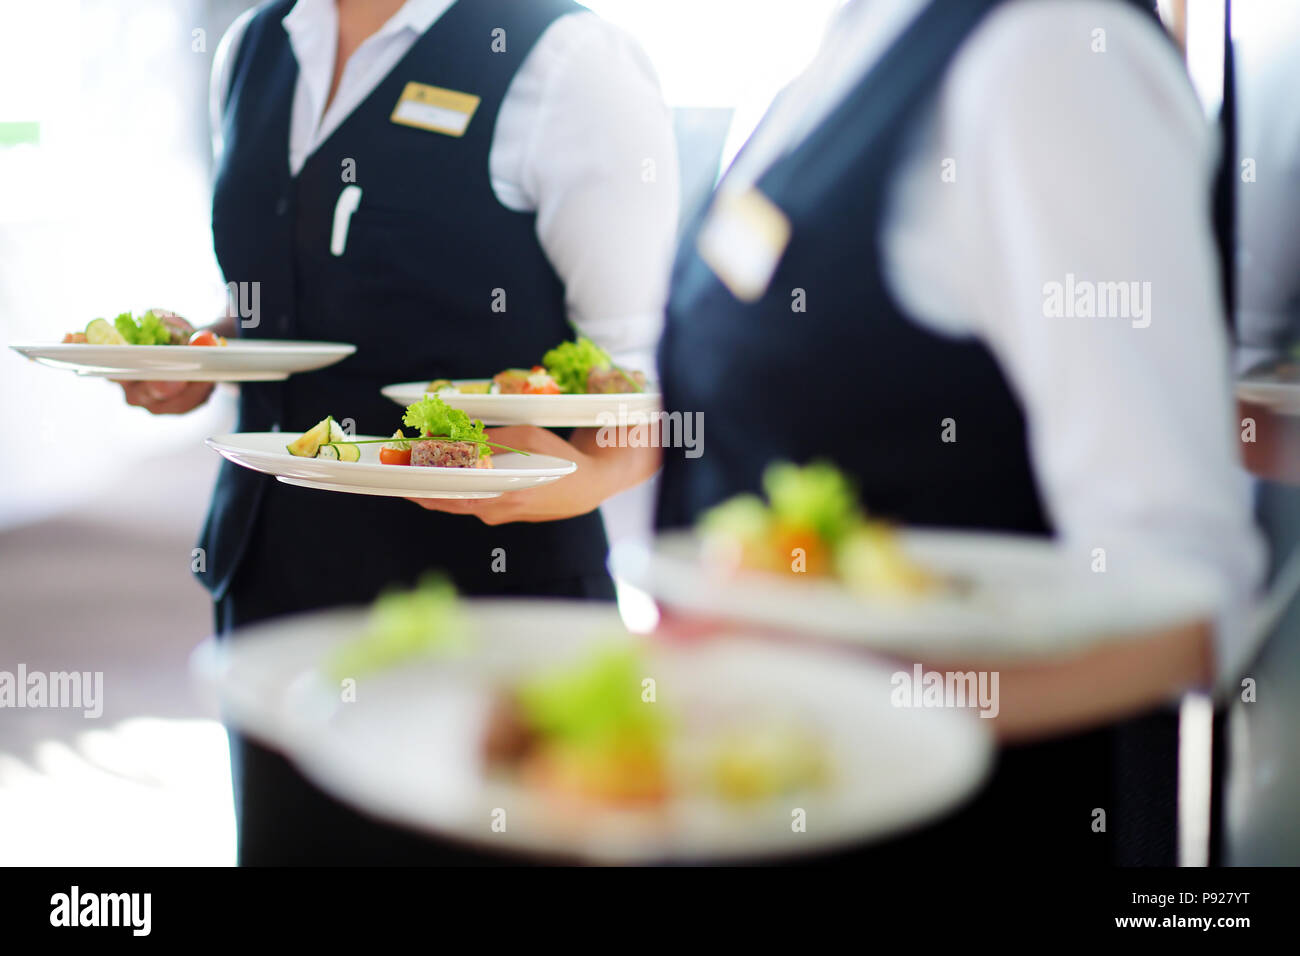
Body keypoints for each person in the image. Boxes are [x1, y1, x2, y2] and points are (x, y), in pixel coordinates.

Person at [655, 0, 1264, 864]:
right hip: (757, 803)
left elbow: (1189, 597)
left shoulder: (1051, 54)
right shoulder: (854, 43)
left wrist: (843, 714)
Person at [121, 0, 675, 864]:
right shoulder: (255, 47)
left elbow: (643, 375)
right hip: (273, 589)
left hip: (482, 605)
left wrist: (581, 478)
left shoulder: (566, 61)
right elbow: (296, 294)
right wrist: (201, 355)